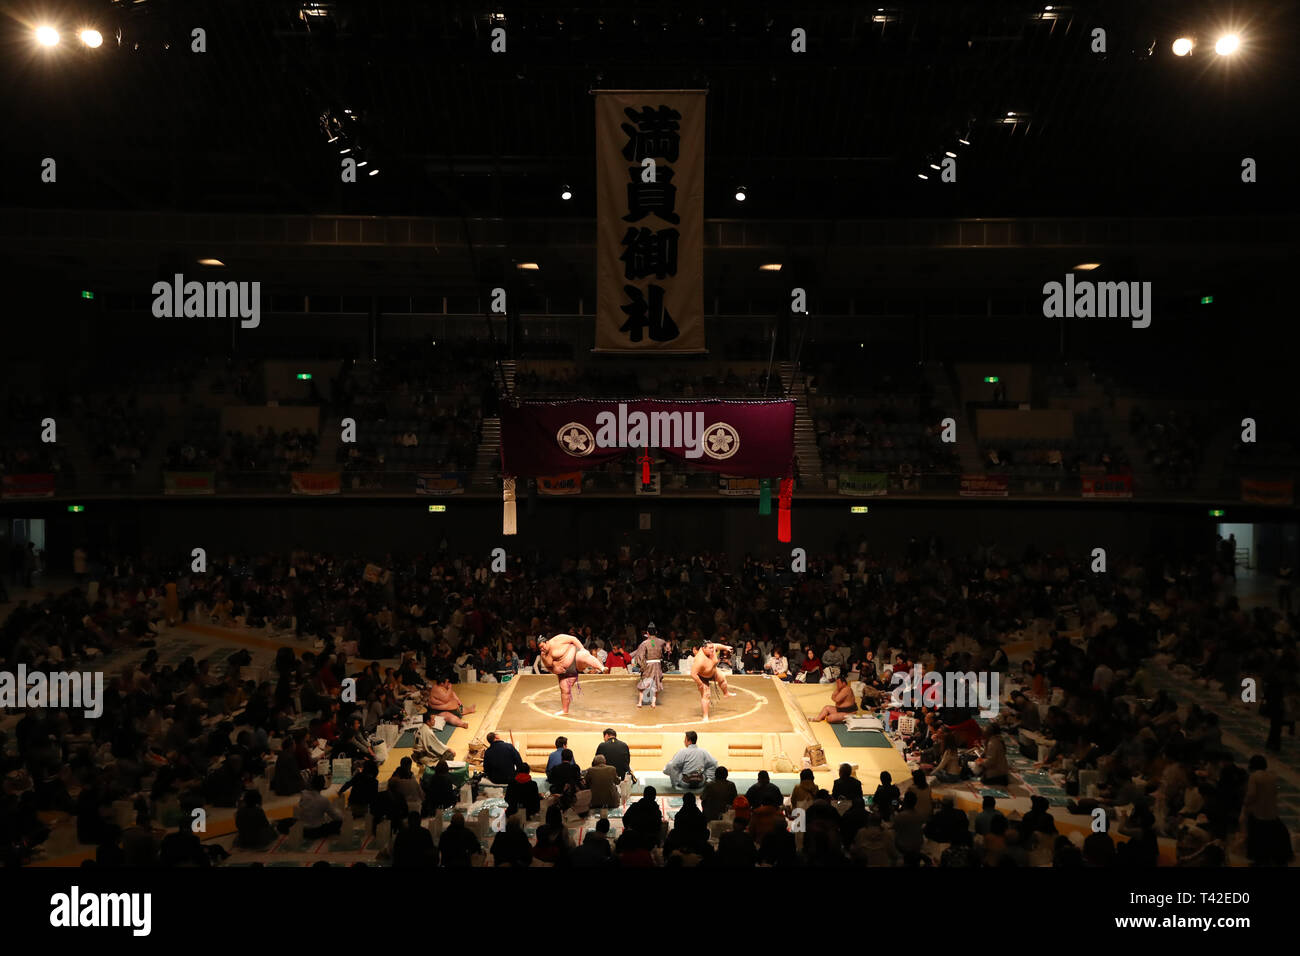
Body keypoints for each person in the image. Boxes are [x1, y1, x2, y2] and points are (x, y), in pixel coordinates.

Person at [1243, 754, 1295, 865]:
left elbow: (1252, 794)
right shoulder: (1272, 776)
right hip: (1272, 814)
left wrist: (1245, 803)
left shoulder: (1254, 776)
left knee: (1259, 842)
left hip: (1259, 813)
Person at [538, 633, 607, 715]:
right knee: (564, 689)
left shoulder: (558, 639)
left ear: (547, 642)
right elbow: (549, 667)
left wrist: (582, 648)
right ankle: (565, 710)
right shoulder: (544, 655)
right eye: (540, 648)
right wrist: (556, 670)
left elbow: (573, 639)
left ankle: (601, 668)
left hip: (575, 658)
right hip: (565, 672)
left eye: (543, 646)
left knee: (583, 655)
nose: (542, 649)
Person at [691, 641, 736, 721]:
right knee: (706, 695)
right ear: (704, 648)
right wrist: (700, 684)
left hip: (713, 671)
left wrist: (726, 647)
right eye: (710, 648)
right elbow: (693, 674)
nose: (712, 649)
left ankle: (726, 693)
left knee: (722, 678)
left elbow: (717, 645)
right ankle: (705, 716)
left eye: (712, 647)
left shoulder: (712, 648)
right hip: (702, 677)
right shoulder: (699, 660)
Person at [630, 625, 667, 702]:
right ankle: (653, 703)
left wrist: (641, 666)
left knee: (644, 682)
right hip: (657, 665)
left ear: (647, 633)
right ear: (656, 632)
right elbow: (666, 648)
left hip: (648, 665)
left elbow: (640, 656)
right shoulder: (662, 641)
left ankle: (640, 702)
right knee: (656, 683)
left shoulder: (644, 643)